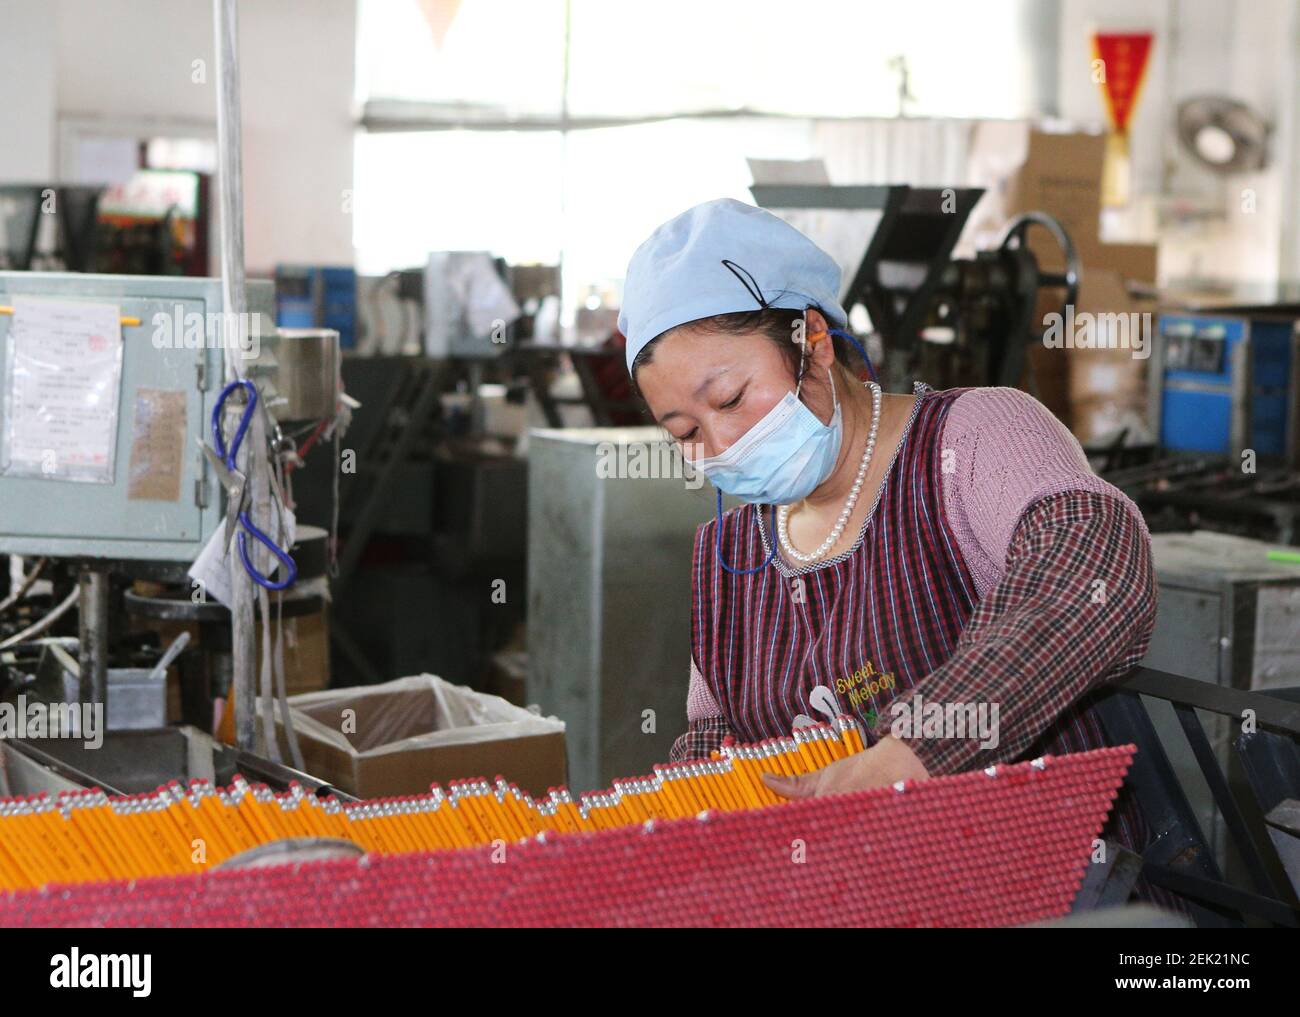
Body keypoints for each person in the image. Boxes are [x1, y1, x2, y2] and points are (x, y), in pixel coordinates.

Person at [618, 197, 1158, 862]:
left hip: (1039, 884)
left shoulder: (971, 442)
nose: (720, 444)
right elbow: (714, 739)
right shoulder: (728, 553)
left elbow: (1096, 574)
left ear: (812, 341)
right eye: (686, 431)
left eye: (730, 398)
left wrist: (914, 752)